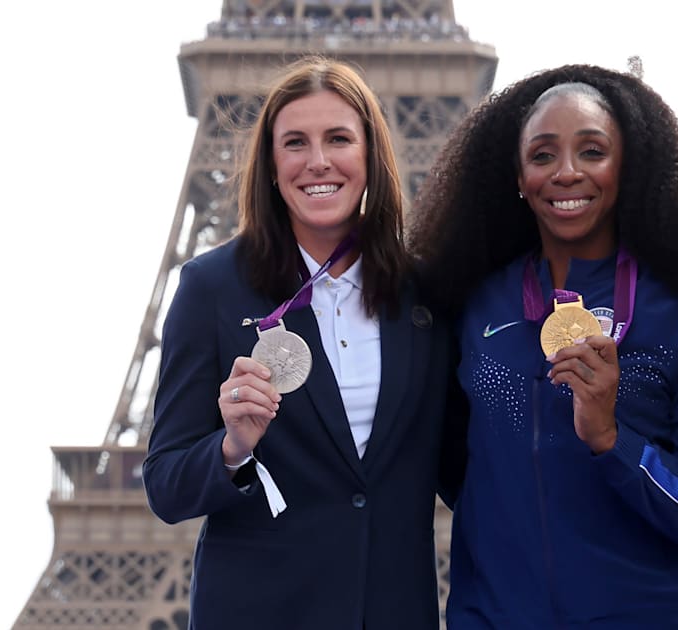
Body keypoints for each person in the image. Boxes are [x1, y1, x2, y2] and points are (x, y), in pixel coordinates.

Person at [407, 64, 678, 629]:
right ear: (516, 175)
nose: (566, 173)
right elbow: (459, 469)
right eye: (542, 156)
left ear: (626, 166)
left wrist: (612, 439)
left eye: (592, 151)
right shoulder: (472, 305)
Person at [142, 57, 458, 629]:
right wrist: (233, 448)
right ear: (269, 164)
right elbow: (165, 484)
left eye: (338, 138)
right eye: (295, 143)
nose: (318, 161)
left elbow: (464, 470)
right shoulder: (213, 288)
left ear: (371, 155)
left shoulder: (428, 295)